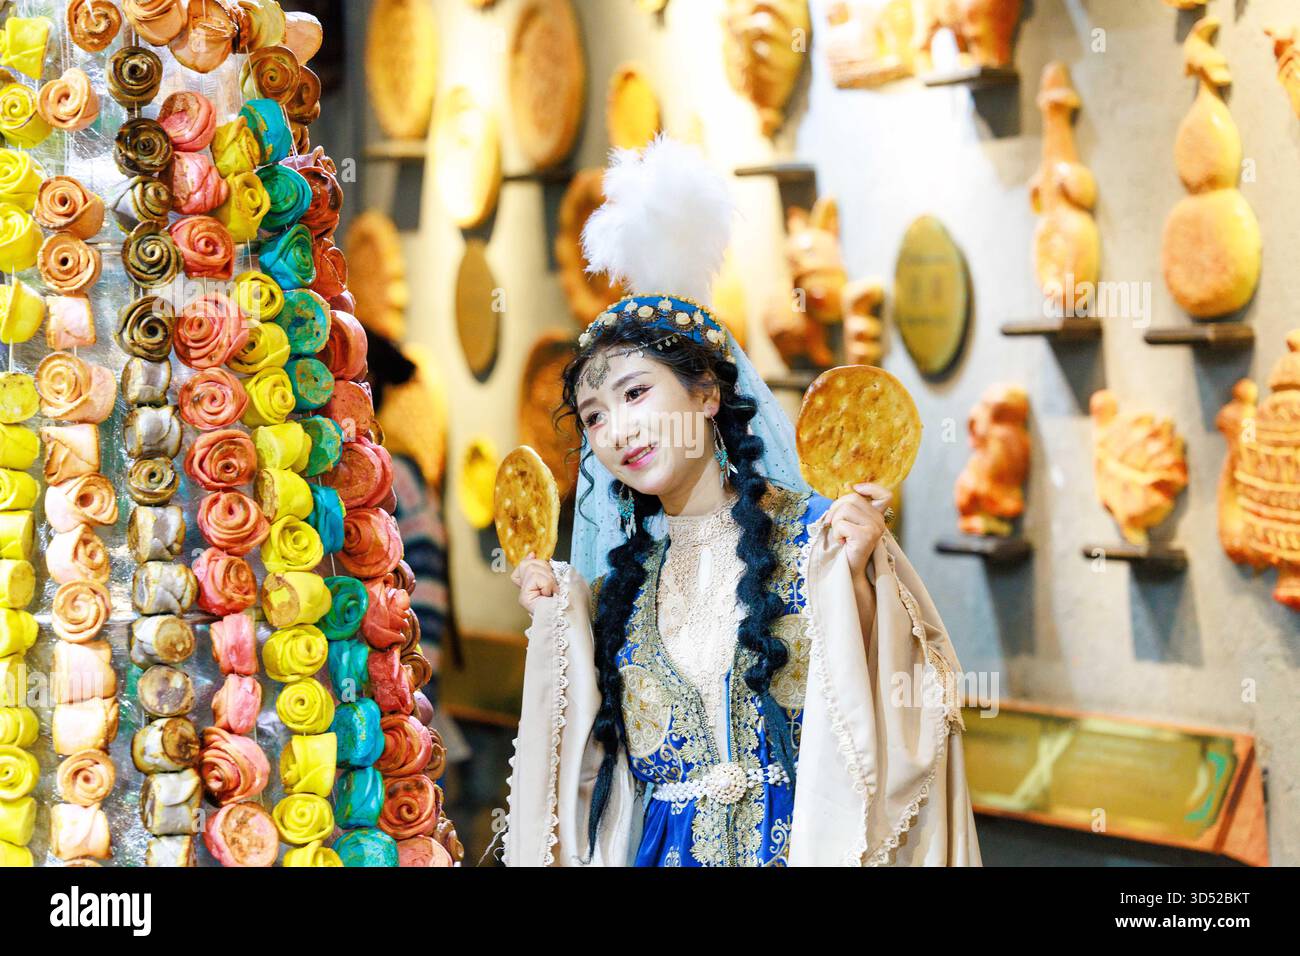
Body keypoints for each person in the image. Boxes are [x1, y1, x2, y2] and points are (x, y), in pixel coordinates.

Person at [501, 135, 980, 866]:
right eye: (595, 415)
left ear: (704, 395)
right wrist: (558, 618)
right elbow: (594, 779)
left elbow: (899, 731)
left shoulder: (820, 544)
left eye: (636, 393)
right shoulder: (620, 587)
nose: (617, 429)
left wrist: (861, 588)